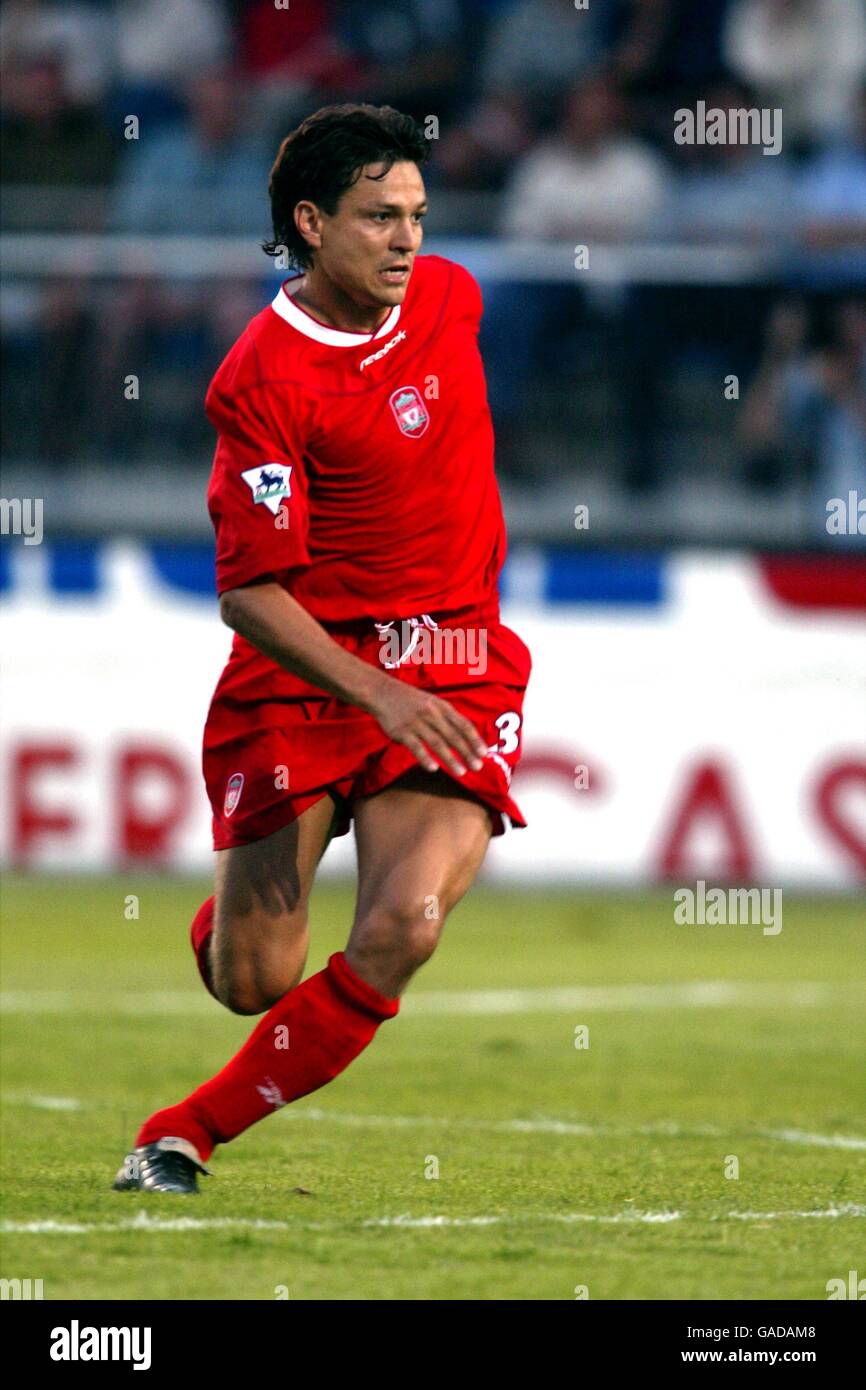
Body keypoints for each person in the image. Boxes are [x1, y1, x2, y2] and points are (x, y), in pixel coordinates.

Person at [112, 104, 532, 1193]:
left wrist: (410, 687)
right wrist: (373, 693)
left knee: (406, 922)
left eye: (416, 216)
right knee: (252, 977)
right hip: (306, 675)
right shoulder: (260, 379)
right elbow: (250, 594)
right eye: (377, 218)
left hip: (451, 663)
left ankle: (183, 1132)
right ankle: (237, 908)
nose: (406, 241)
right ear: (308, 222)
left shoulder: (452, 298)